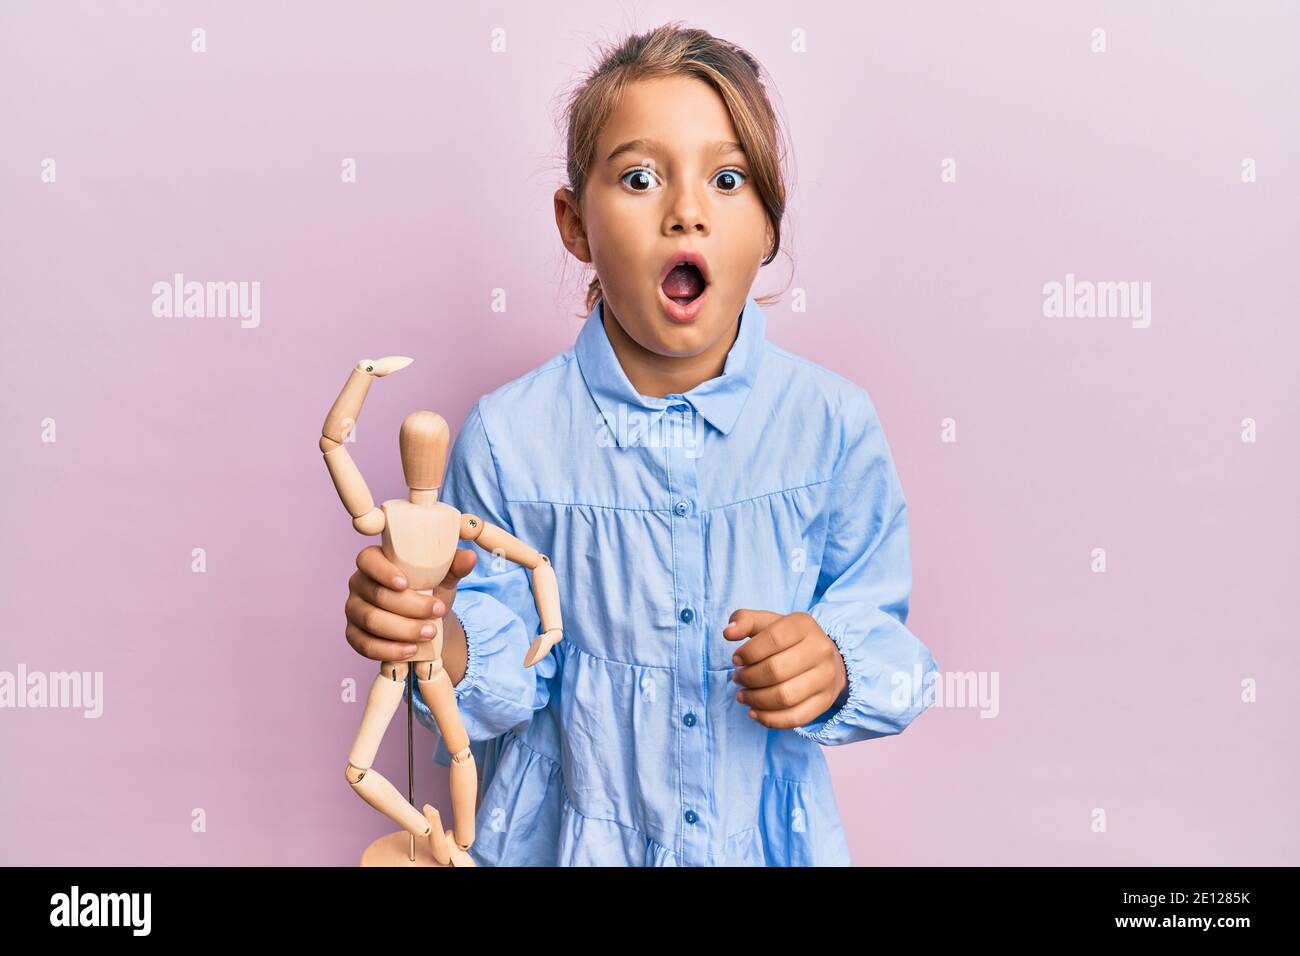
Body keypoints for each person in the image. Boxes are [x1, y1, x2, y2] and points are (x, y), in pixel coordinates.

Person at [342, 22, 939, 866]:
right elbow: (506, 669)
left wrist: (836, 663)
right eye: (639, 177)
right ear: (575, 224)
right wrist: (429, 636)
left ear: (769, 227)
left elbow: (893, 647)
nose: (686, 210)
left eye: (728, 179)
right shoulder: (510, 438)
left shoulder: (832, 425)